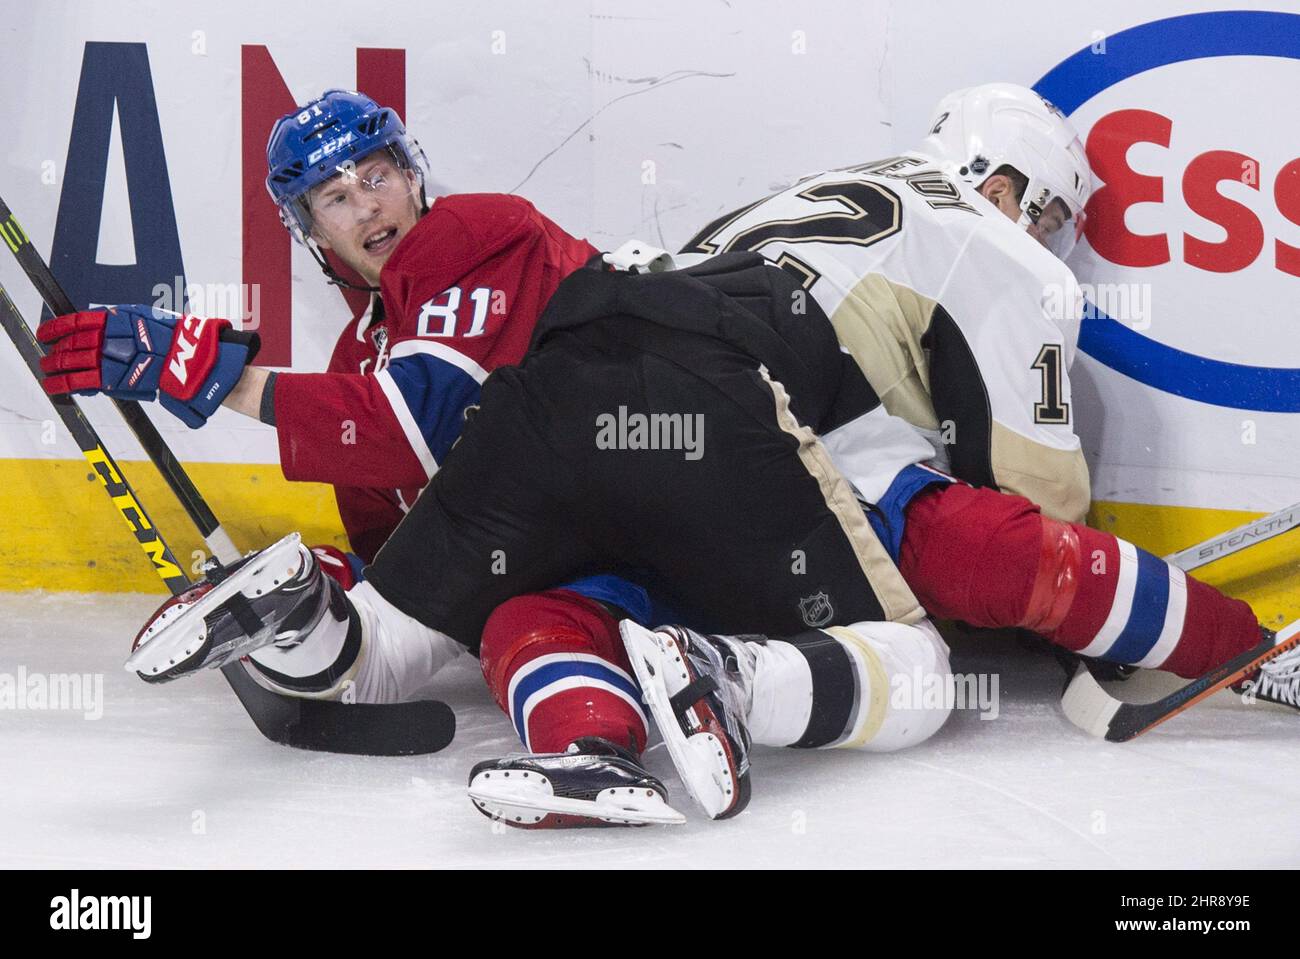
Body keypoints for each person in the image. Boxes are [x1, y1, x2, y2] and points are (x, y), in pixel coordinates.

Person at [120, 250, 1299, 828]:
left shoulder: (668, 238)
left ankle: (334, 623)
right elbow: (1037, 475)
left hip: (558, 418)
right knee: (956, 607)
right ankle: (734, 677)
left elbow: (441, 406)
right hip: (747, 413)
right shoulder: (958, 229)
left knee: (467, 630)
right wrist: (1089, 601)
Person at [682, 82, 1093, 523]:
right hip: (750, 461)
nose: (1043, 245)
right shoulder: (998, 247)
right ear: (998, 192)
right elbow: (1047, 501)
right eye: (1048, 225)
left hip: (624, 397)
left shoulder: (810, 185)